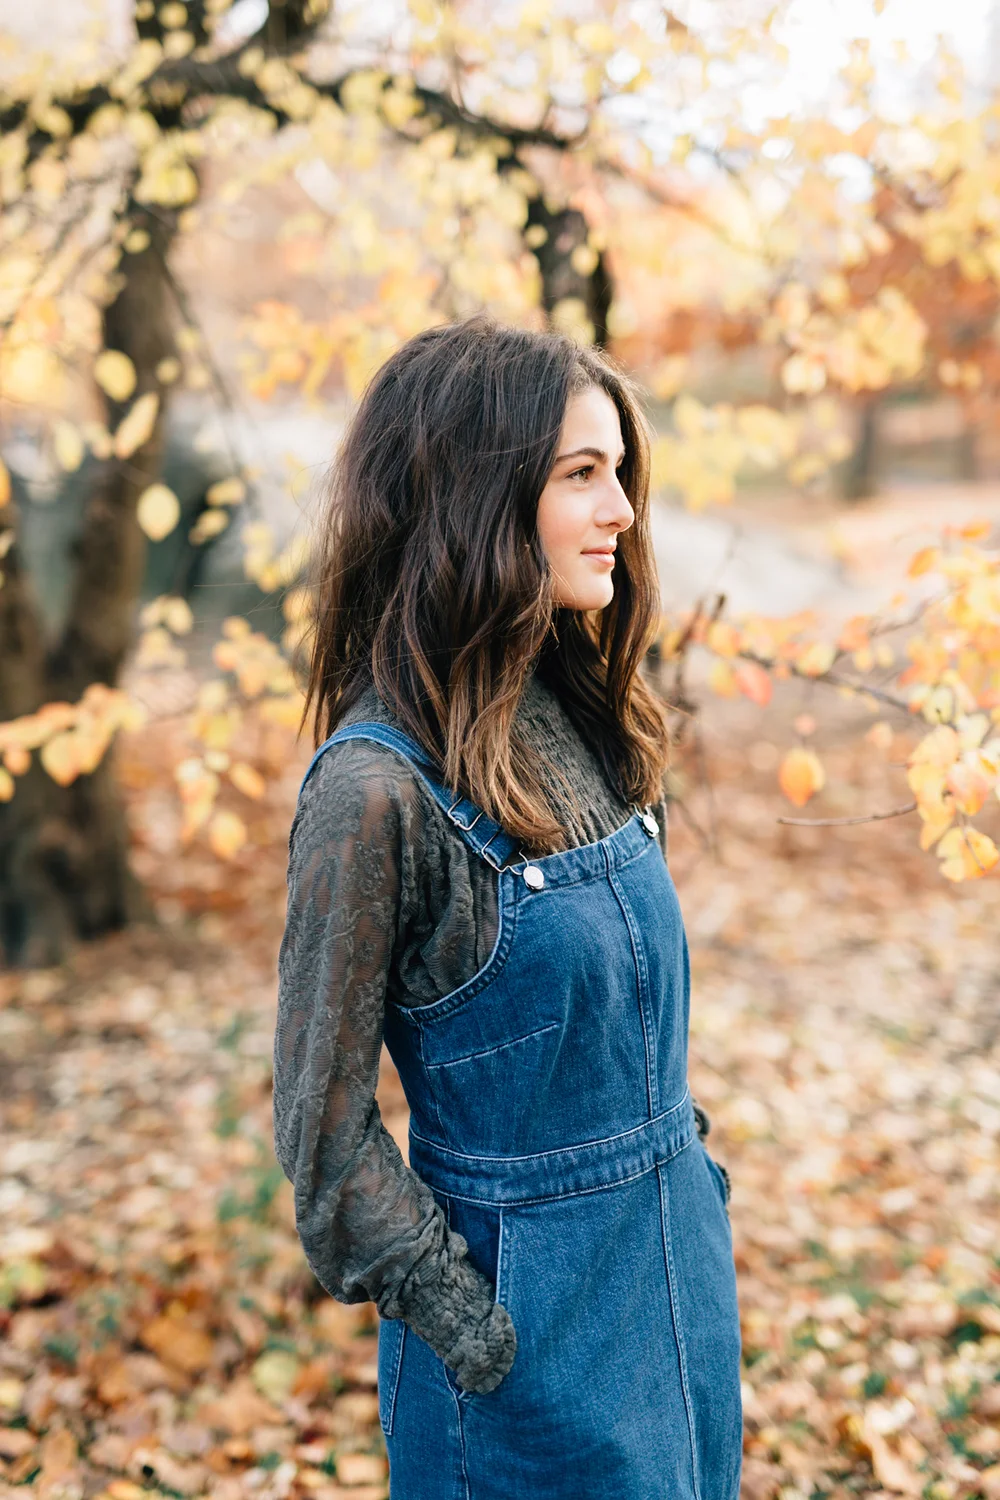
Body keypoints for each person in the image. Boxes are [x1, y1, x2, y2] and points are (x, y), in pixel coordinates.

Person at [272, 316, 743, 1499]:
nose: (622, 510)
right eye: (581, 475)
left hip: (674, 1294)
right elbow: (323, 1143)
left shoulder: (589, 728)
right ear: (474, 500)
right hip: (519, 1356)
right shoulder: (373, 790)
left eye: (619, 473)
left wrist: (692, 1196)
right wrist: (475, 1330)